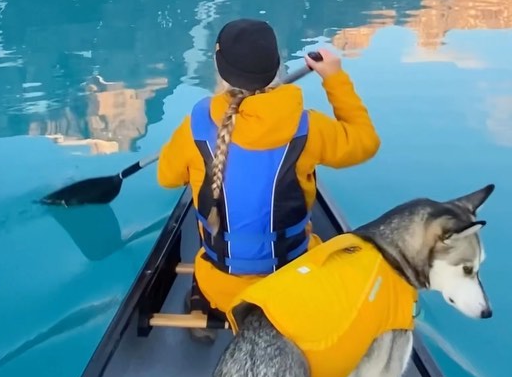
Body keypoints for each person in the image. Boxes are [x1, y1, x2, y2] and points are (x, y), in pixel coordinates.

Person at [157, 18, 380, 322]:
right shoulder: (309, 128)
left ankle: (203, 301)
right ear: (277, 67)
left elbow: (167, 178)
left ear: (219, 69)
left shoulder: (195, 127)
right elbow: (365, 142)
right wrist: (334, 78)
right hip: (293, 283)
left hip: (222, 289)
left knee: (209, 215)